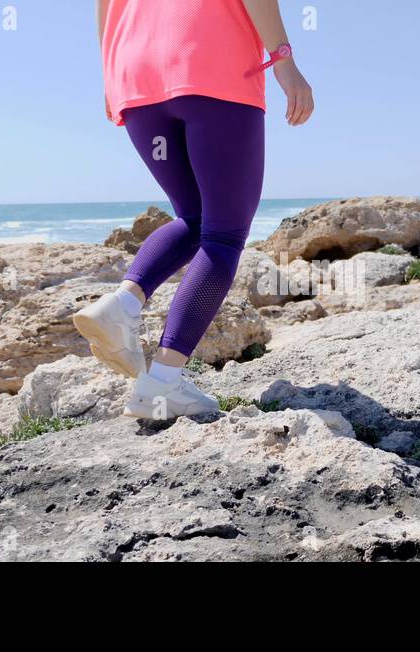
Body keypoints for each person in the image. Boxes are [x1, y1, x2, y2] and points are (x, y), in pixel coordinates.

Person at [74, 0, 314, 419]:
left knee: (195, 216)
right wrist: (282, 59)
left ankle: (123, 303)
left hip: (134, 77)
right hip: (210, 64)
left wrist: (110, 76)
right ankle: (163, 382)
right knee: (224, 233)